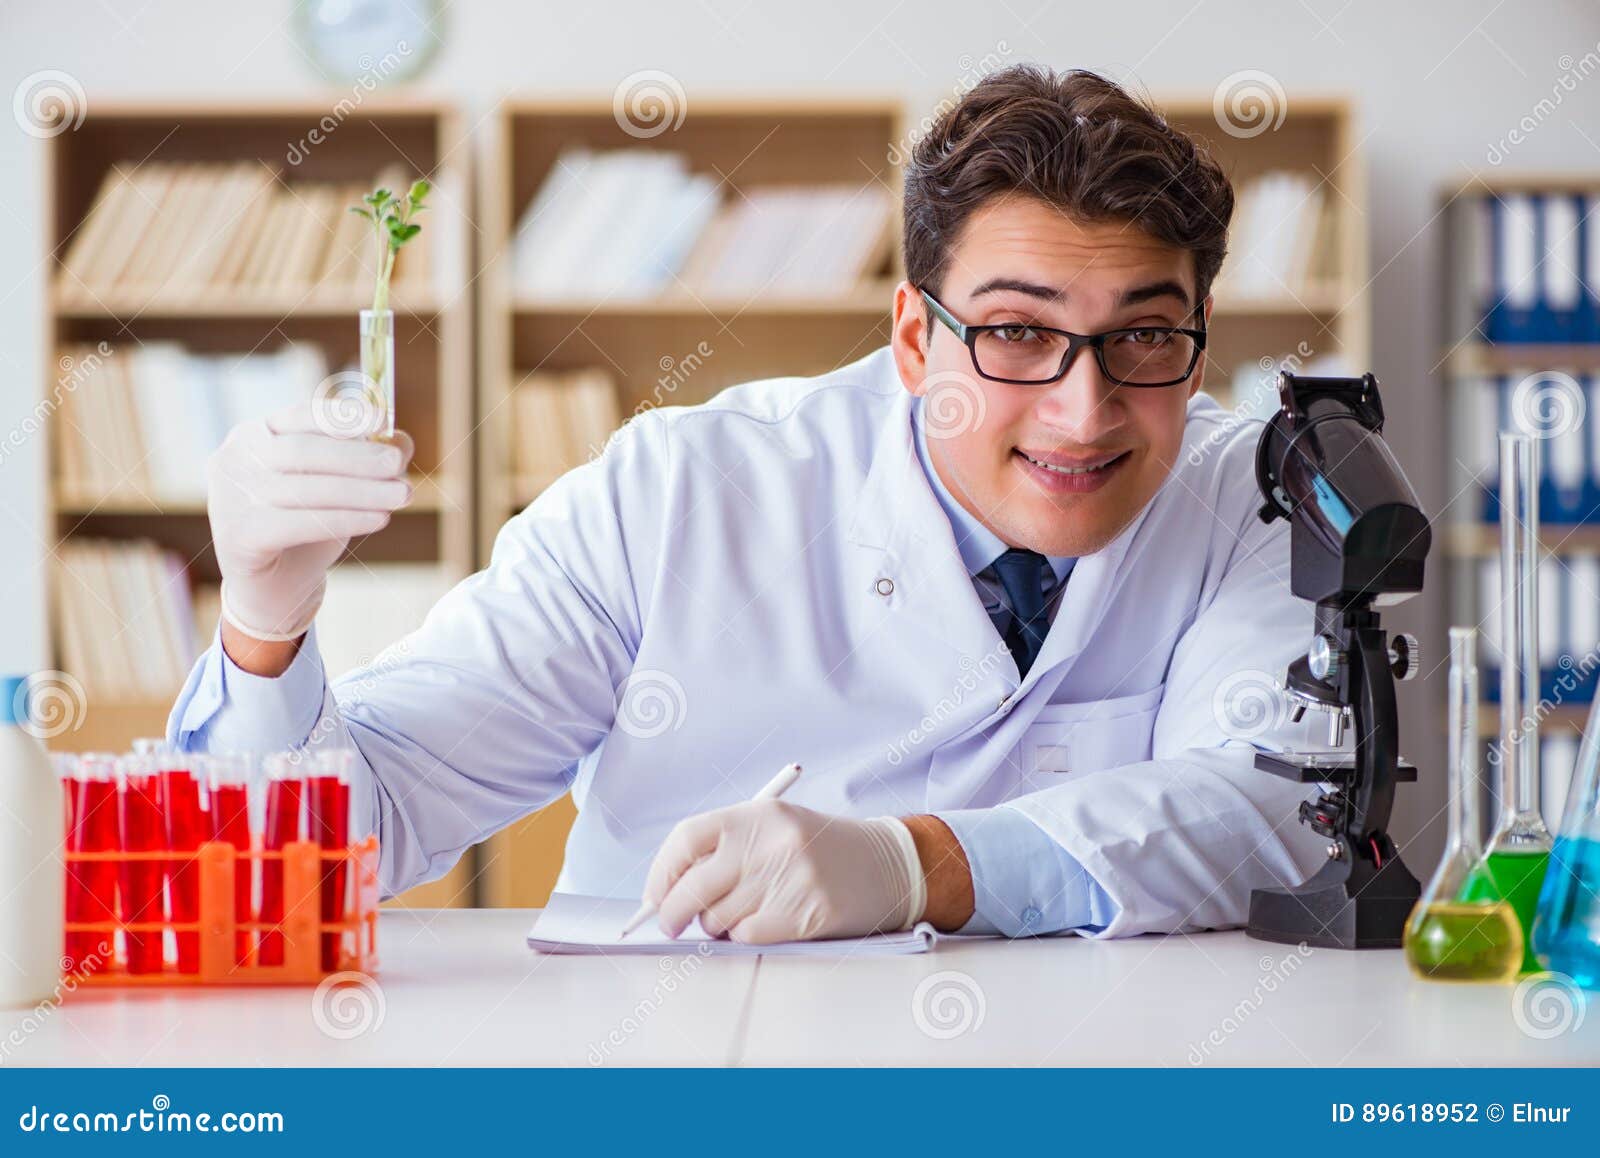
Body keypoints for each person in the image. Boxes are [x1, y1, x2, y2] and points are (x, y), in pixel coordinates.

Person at [172, 64, 1331, 944]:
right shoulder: (676, 493)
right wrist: (265, 622)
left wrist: (913, 865)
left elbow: (1276, 812)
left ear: (1198, 337)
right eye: (1018, 333)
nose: (1085, 412)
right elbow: (331, 854)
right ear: (917, 340)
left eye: (1140, 336)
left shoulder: (1252, 493)